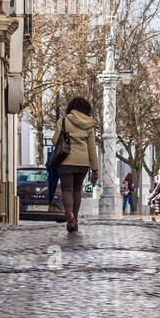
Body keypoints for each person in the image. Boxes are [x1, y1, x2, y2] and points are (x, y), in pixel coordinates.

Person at [52, 96, 98, 232]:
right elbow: (92, 148)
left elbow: (55, 141)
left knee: (67, 189)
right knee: (78, 190)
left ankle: (69, 215)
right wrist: (95, 168)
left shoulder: (64, 121)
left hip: (65, 161)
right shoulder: (89, 124)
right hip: (82, 163)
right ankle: (75, 220)